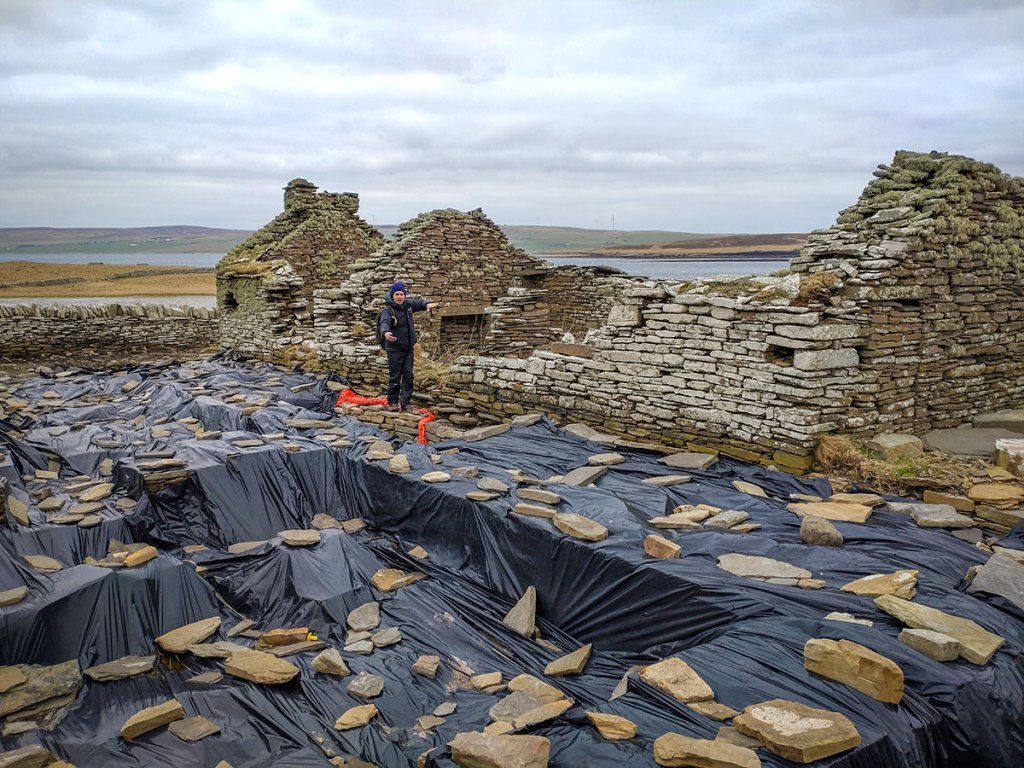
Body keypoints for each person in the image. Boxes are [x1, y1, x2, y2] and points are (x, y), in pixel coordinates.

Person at [379, 282, 440, 411]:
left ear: (404, 296)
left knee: (408, 376)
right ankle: (393, 402)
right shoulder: (388, 311)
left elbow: (419, 303)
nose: (399, 297)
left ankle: (406, 403)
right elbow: (384, 323)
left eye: (401, 294)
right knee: (395, 377)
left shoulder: (407, 306)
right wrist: (385, 333)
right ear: (392, 295)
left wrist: (427, 304)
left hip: (408, 349)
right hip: (394, 349)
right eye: (397, 294)